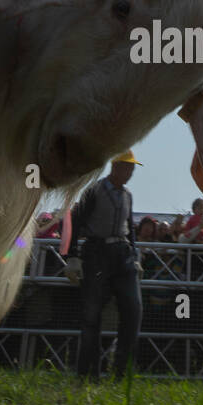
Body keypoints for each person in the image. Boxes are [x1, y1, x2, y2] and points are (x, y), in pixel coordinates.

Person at [67, 151, 143, 379]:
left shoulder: (128, 195)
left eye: (132, 169)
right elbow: (75, 220)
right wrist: (72, 256)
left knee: (133, 310)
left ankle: (121, 371)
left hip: (122, 253)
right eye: (127, 168)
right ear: (115, 167)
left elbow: (130, 228)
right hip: (96, 251)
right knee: (92, 315)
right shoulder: (94, 191)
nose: (130, 173)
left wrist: (136, 256)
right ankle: (88, 372)